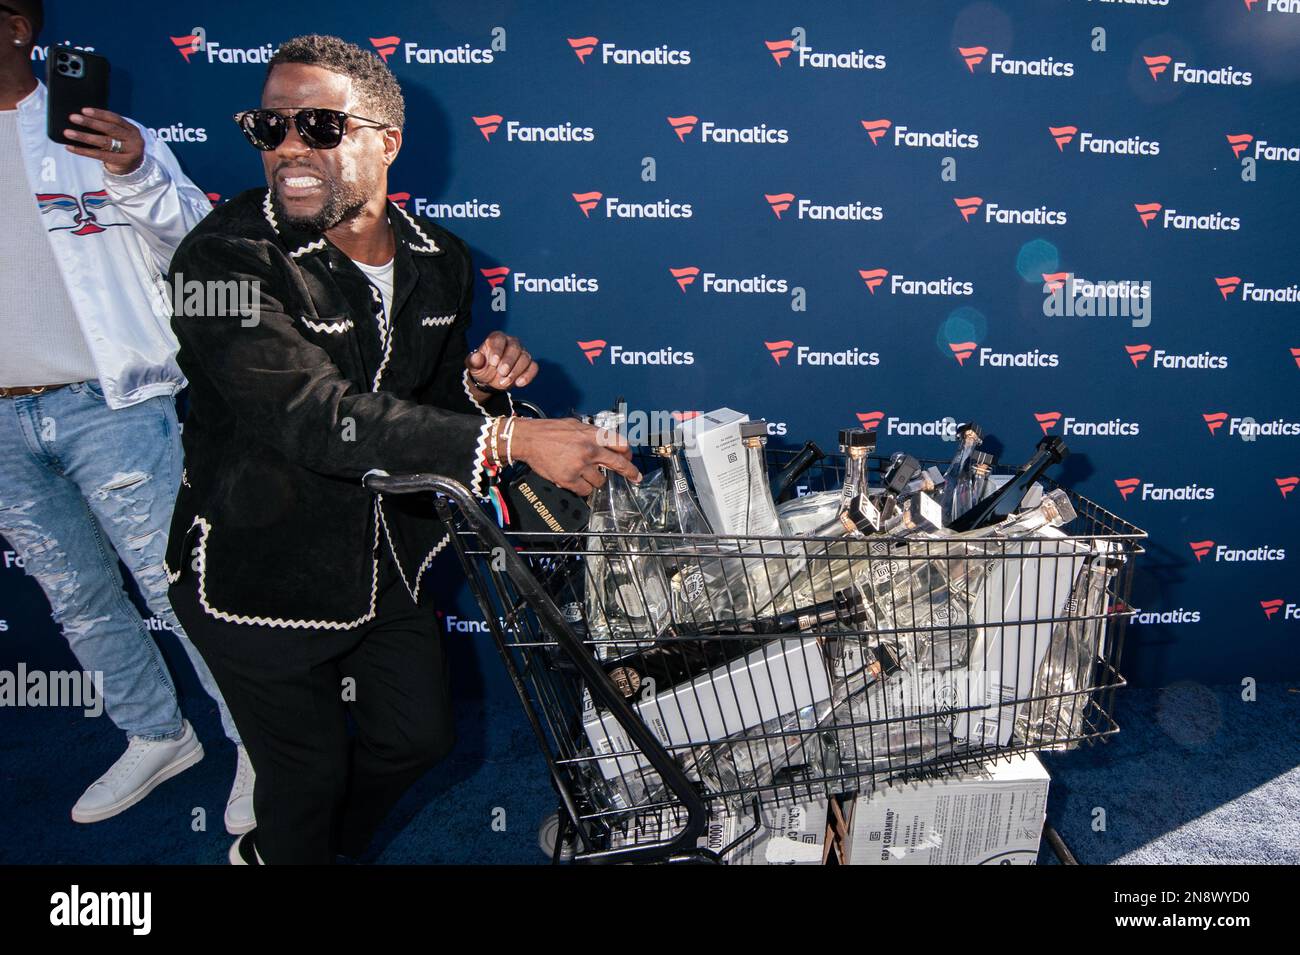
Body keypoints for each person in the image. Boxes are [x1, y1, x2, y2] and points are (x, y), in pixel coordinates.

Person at [165, 34, 640, 865]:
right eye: (268, 127)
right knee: (304, 777)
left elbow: (422, 404)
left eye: (317, 125)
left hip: (388, 561)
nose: (288, 149)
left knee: (418, 739)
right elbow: (315, 416)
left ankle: (303, 847)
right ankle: (281, 851)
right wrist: (510, 433)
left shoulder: (440, 260)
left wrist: (484, 393)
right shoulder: (221, 259)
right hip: (259, 572)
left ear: (386, 139)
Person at [0, 0, 254, 833]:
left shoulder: (102, 136)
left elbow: (195, 248)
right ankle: (156, 733)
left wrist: (136, 171)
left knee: (173, 584)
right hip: (1, 427)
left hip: (107, 403)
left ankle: (257, 743)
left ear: (16, 26)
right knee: (75, 596)